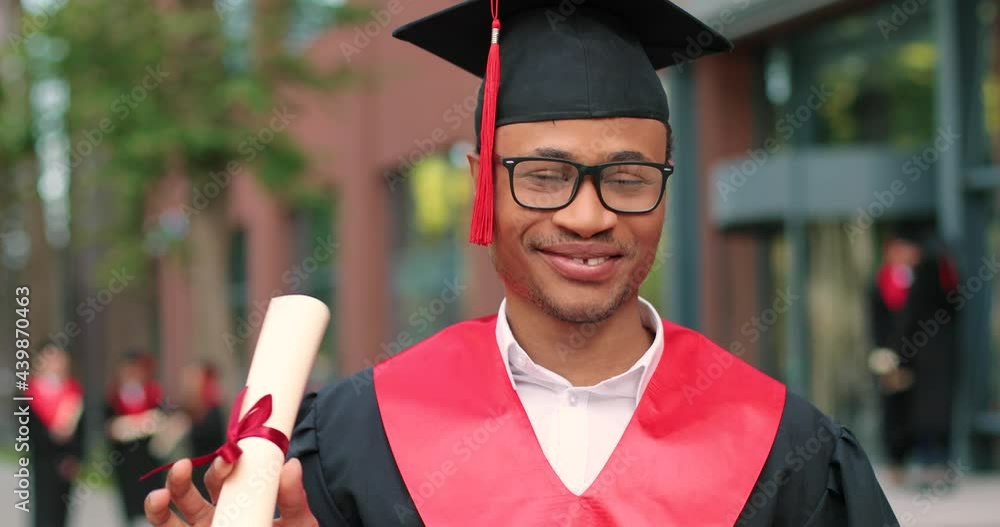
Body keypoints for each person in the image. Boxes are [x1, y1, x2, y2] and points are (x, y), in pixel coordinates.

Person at [144, 1, 899, 525]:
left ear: (667, 186)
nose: (587, 216)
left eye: (628, 177)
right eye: (542, 175)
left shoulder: (786, 448)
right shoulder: (354, 439)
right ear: (482, 181)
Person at [868, 229, 924, 484]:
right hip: (889, 359)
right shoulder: (879, 284)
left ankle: (917, 458)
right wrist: (886, 357)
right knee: (892, 410)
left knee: (916, 410)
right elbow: (876, 324)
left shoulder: (920, 282)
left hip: (917, 359)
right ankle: (895, 461)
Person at [25, 342, 84, 527]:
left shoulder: (72, 391)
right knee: (43, 509)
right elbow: (27, 430)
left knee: (62, 510)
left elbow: (81, 430)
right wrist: (52, 436)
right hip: (42, 460)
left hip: (66, 460)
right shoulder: (30, 393)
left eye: (59, 358)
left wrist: (76, 456)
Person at [107, 350, 166, 526]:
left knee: (152, 503)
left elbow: (160, 420)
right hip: (125, 460)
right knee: (130, 507)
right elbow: (111, 428)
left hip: (149, 459)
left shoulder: (153, 393)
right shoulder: (114, 396)